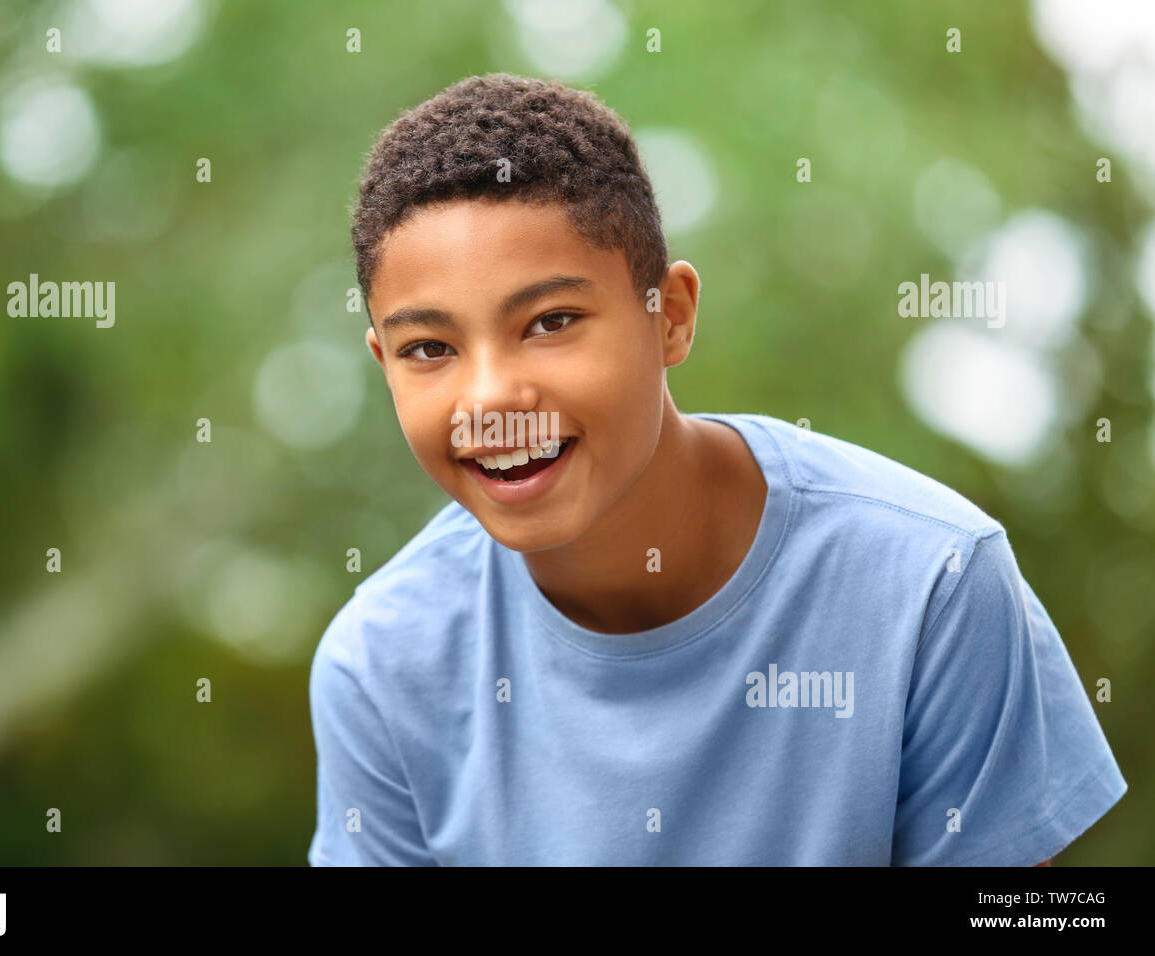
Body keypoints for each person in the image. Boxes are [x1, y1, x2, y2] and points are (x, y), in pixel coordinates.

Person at [307, 73, 1127, 865]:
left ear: (673, 316)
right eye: (430, 349)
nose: (490, 400)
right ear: (383, 361)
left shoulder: (931, 585)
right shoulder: (380, 670)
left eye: (552, 322)